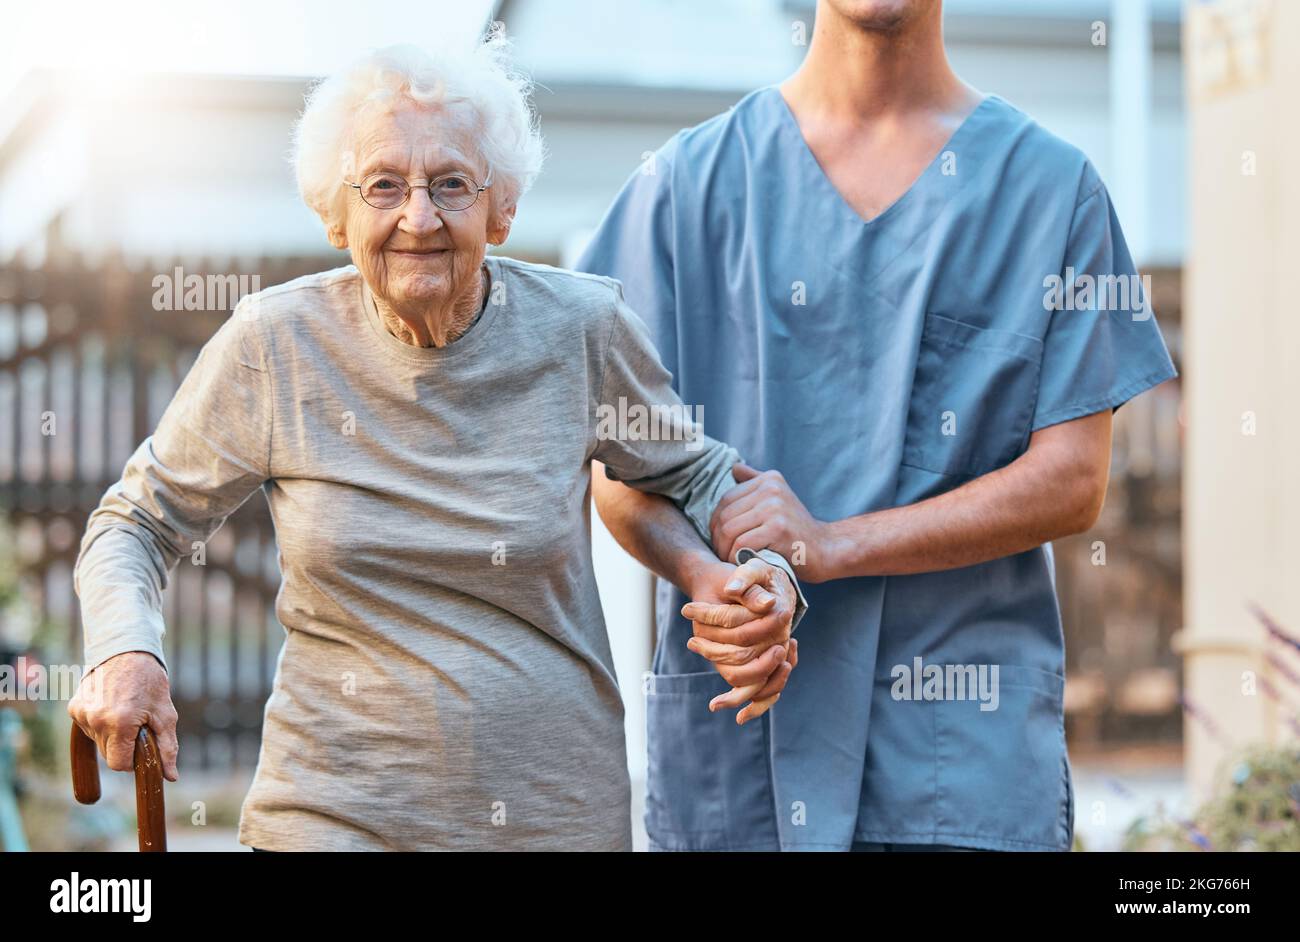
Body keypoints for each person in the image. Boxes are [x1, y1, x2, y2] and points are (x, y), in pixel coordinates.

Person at [67, 34, 804, 852]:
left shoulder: (581, 331)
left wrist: (767, 576)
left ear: (502, 208)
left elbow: (704, 482)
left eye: (451, 184)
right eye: (385, 185)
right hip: (329, 817)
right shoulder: (275, 347)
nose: (419, 217)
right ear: (335, 213)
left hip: (550, 821)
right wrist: (125, 649)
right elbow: (136, 522)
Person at [578, 0, 1177, 851]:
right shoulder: (684, 187)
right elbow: (619, 467)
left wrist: (829, 545)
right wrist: (708, 582)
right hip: (740, 751)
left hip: (953, 768)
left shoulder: (1049, 191)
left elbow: (1073, 481)